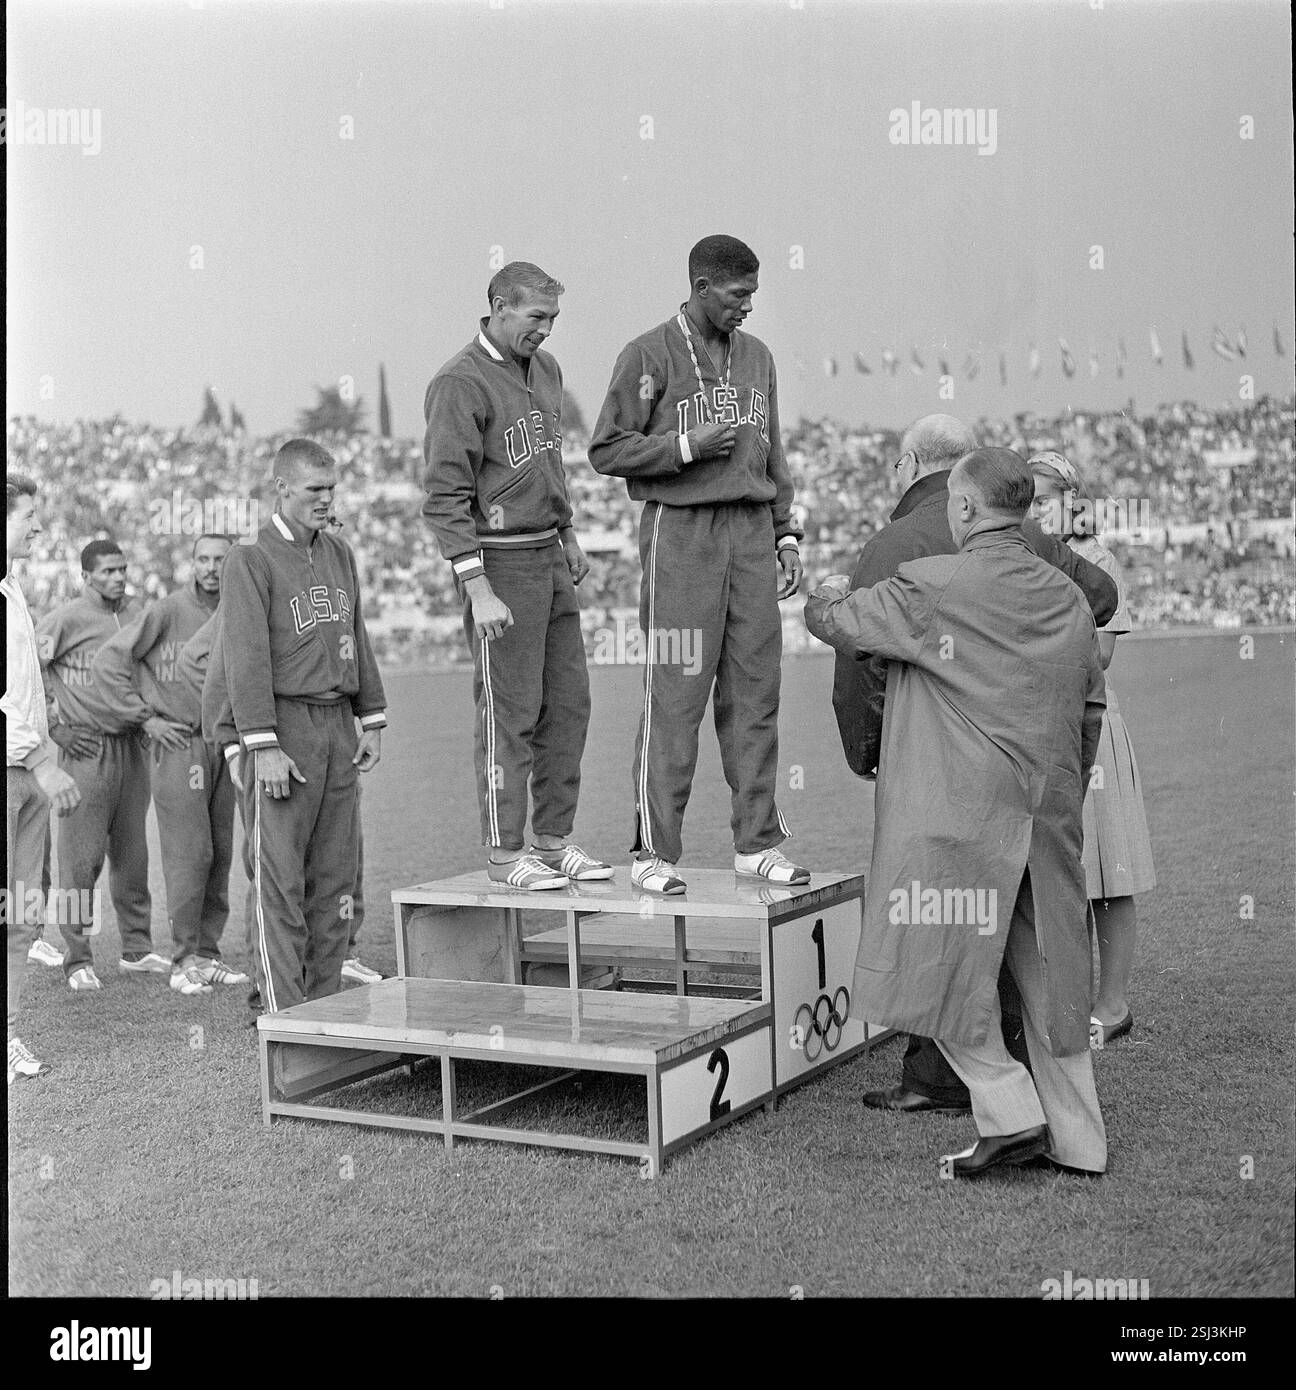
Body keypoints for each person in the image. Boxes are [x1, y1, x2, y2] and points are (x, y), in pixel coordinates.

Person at [806, 447, 1108, 1177]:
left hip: (963, 819)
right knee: (1050, 987)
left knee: (933, 972)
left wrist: (819, 592)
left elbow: (840, 623)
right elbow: (1090, 710)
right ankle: (1082, 1143)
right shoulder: (1067, 597)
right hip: (1048, 816)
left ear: (965, 509)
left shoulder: (933, 586)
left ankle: (1009, 1112)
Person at [588, 234, 805, 894]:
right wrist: (683, 445)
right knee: (675, 696)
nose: (748, 307)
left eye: (755, 296)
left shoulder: (759, 357)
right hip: (681, 533)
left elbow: (775, 454)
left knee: (756, 694)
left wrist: (787, 535)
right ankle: (654, 853)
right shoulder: (647, 353)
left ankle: (757, 841)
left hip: (750, 533)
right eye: (739, 295)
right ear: (702, 287)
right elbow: (606, 448)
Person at [422, 260, 608, 891]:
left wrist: (568, 531)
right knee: (510, 712)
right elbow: (445, 495)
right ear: (499, 307)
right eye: (536, 317)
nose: (547, 330)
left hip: (548, 553)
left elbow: (547, 465)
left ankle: (553, 841)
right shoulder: (459, 381)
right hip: (498, 560)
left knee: (569, 705)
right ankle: (505, 855)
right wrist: (477, 589)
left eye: (553, 318)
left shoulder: (546, 370)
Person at [217, 439, 386, 1014]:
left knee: (336, 877)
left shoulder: (339, 553)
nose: (326, 499)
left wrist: (370, 716)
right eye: (314, 489)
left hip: (338, 725)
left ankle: (324, 1007)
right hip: (283, 729)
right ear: (281, 488)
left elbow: (356, 635)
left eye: (331, 488)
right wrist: (261, 744)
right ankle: (283, 1012)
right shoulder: (250, 558)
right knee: (280, 881)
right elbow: (245, 658)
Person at [1029, 451, 1155, 1048]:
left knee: (1111, 872)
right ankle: (1071, 1000)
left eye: (1043, 498)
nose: (1033, 509)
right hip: (1042, 725)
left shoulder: (1095, 558)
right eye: (1026, 498)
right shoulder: (1026, 554)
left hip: (1093, 725)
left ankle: (1114, 1003)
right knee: (1063, 870)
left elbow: (1100, 655)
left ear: (1069, 500)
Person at [93, 534, 249, 996]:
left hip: (226, 743)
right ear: (191, 565)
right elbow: (109, 661)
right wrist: (147, 719)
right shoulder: (166, 611)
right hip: (180, 743)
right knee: (190, 854)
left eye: (220, 559)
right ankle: (183, 960)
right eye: (202, 559)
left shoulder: (240, 606)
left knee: (221, 853)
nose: (210, 567)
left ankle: (209, 952)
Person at [36, 539, 164, 990]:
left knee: (132, 854)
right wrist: (55, 726)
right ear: (86, 576)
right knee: (80, 859)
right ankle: (77, 958)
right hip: (85, 749)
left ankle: (138, 948)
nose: (117, 577)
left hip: (132, 747)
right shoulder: (67, 618)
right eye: (107, 571)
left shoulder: (137, 616)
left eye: (121, 569)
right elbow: (30, 669)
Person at [6, 476, 81, 1081]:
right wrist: (40, 762)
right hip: (13, 771)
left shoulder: (13, 591)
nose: (37, 526)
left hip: (24, 775)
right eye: (28, 516)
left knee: (19, 913)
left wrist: (47, 737)